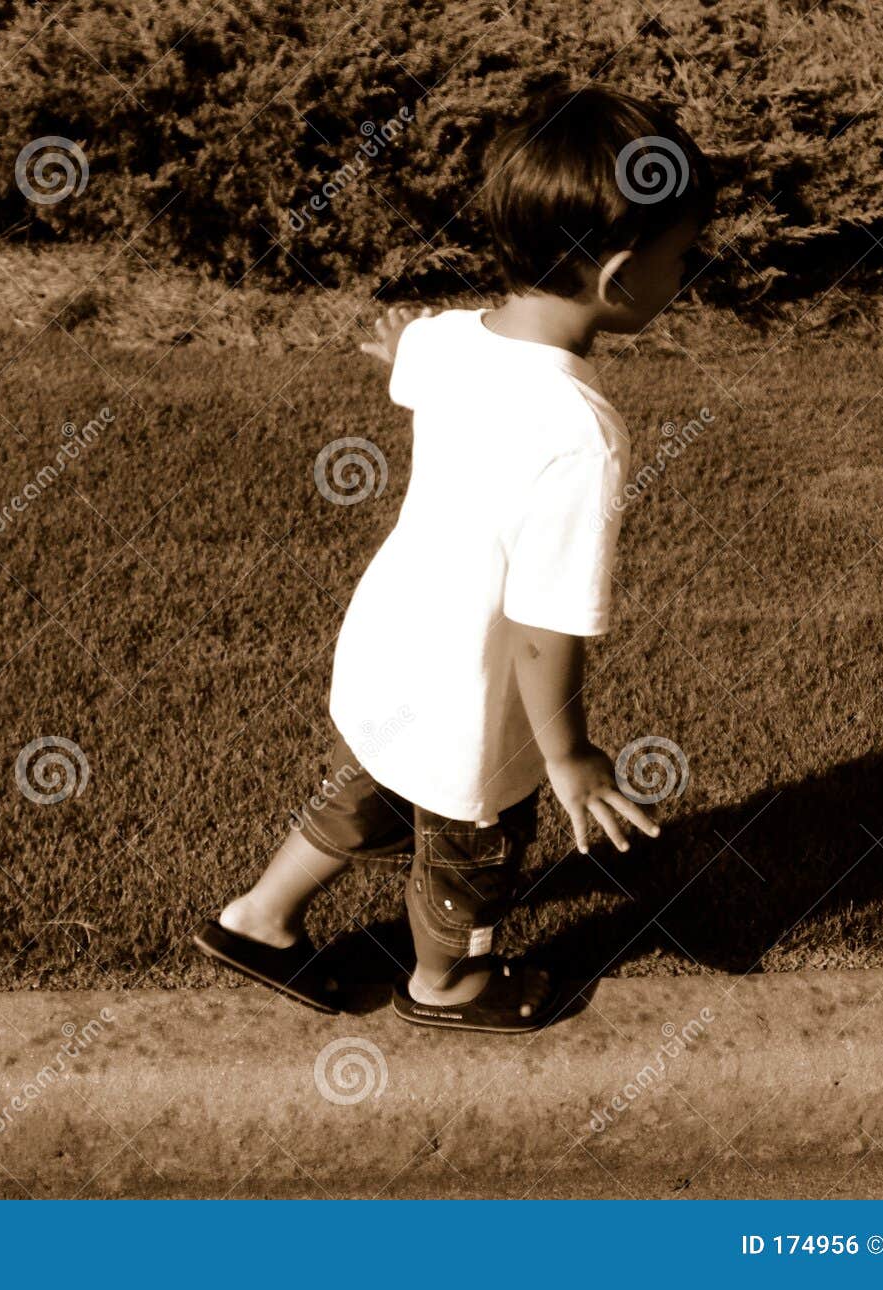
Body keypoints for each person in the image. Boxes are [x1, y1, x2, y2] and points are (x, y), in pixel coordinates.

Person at [195, 85, 715, 1030]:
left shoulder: (447, 340)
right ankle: (449, 984)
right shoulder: (581, 433)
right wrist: (568, 755)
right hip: (470, 686)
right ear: (623, 278)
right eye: (688, 256)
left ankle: (258, 918)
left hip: (393, 643)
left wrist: (398, 345)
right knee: (477, 844)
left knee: (370, 786)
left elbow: (411, 354)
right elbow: (538, 621)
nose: (694, 271)